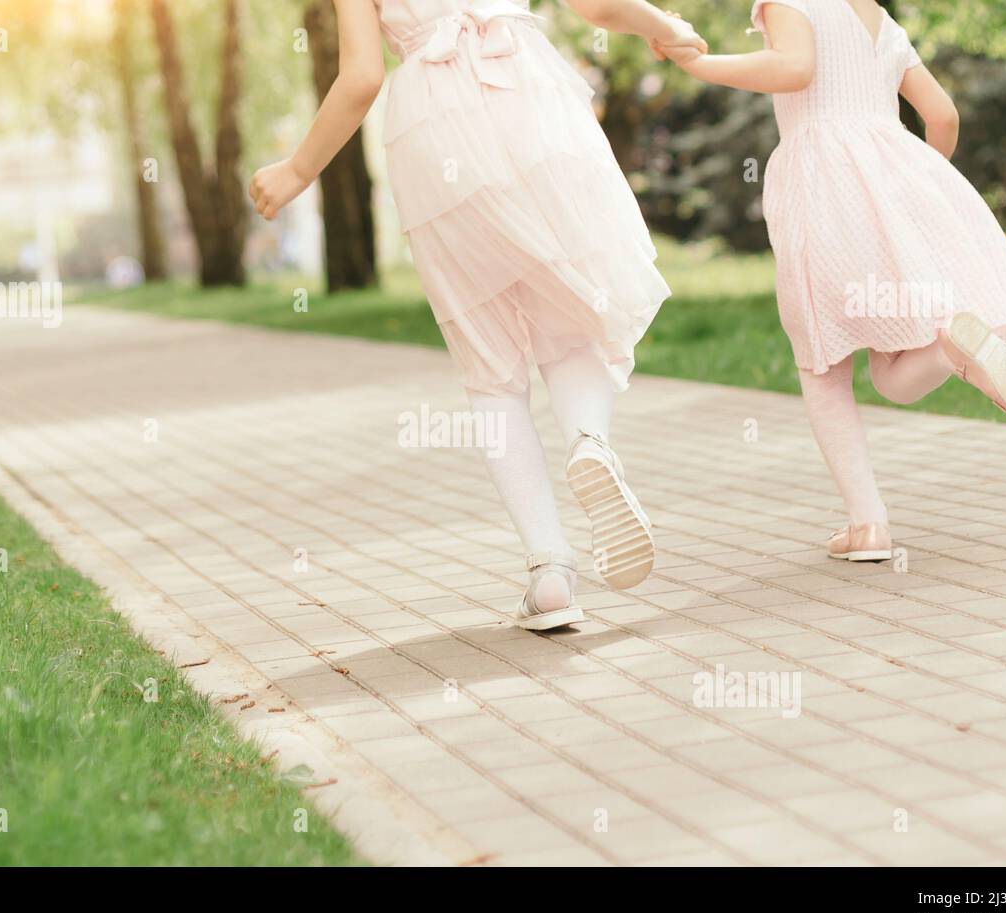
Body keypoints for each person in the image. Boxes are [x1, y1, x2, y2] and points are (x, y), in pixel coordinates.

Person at [251, 1, 707, 625]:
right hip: (530, 98)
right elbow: (597, 5)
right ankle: (589, 443)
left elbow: (360, 78)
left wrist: (298, 169)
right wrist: (666, 27)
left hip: (433, 128)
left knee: (491, 365)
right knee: (573, 314)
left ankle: (549, 572)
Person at [658, 0, 1006, 561]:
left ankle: (869, 526)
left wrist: (703, 64)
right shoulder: (880, 20)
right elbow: (943, 117)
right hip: (896, 188)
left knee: (823, 368)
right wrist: (920, 183)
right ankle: (950, 350)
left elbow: (794, 69)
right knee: (893, 374)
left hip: (824, 191)